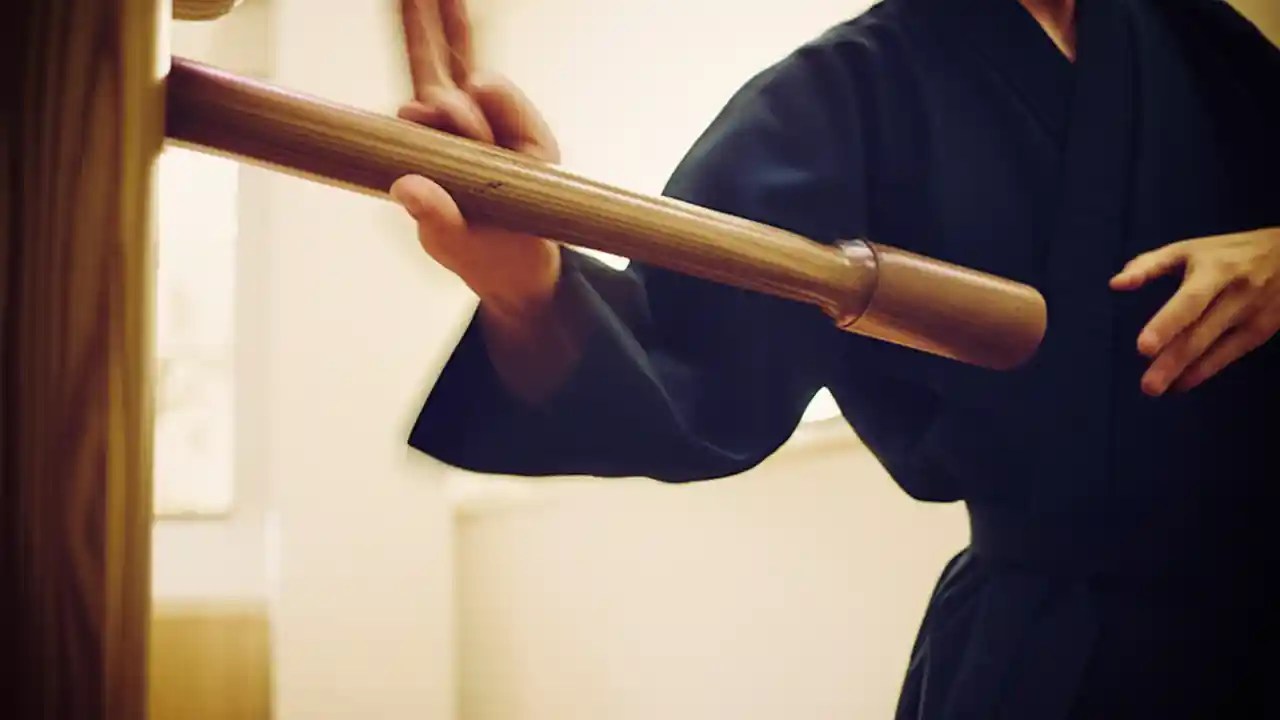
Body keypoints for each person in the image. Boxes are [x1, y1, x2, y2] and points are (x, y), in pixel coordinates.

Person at [390, 0, 1280, 717]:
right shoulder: (848, 90)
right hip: (1053, 660)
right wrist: (528, 277)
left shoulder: (1208, 44)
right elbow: (687, 356)